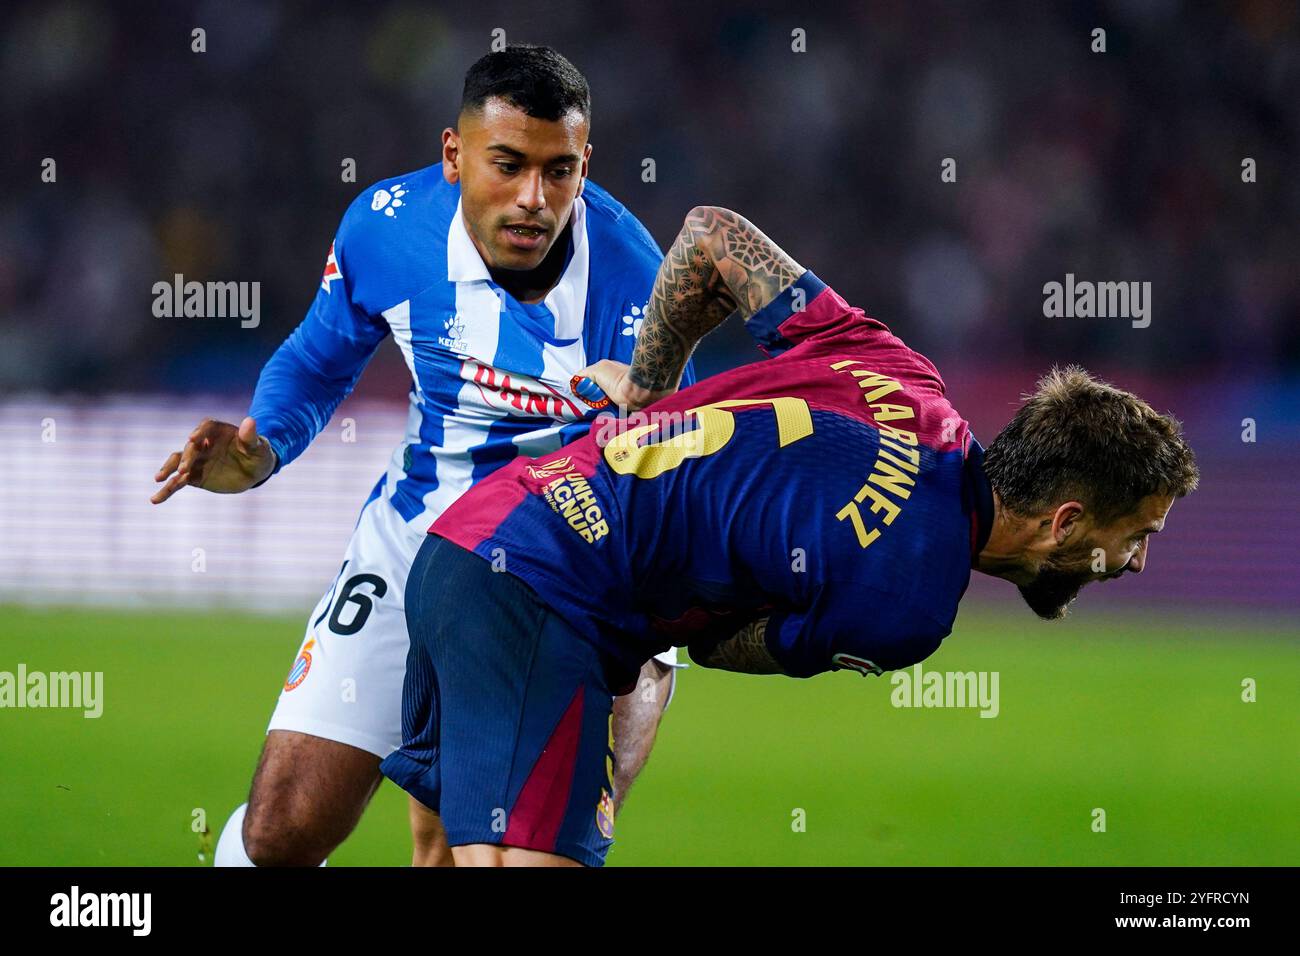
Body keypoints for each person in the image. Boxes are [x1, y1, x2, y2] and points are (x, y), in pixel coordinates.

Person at [381, 205, 1199, 866]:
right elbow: (722, 647)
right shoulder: (909, 607)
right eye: (1136, 536)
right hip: (544, 593)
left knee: (443, 860)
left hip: (472, 538)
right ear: (1066, 523)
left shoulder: (904, 374)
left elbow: (711, 237)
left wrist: (644, 388)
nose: (1135, 562)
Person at [151, 45, 690, 866]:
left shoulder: (634, 278)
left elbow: (665, 474)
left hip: (577, 568)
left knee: (504, 850)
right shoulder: (387, 229)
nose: (533, 199)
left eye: (559, 171)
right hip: (419, 534)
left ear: (587, 165)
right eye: (507, 165)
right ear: (454, 156)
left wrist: (639, 649)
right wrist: (260, 450)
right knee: (279, 833)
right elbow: (318, 357)